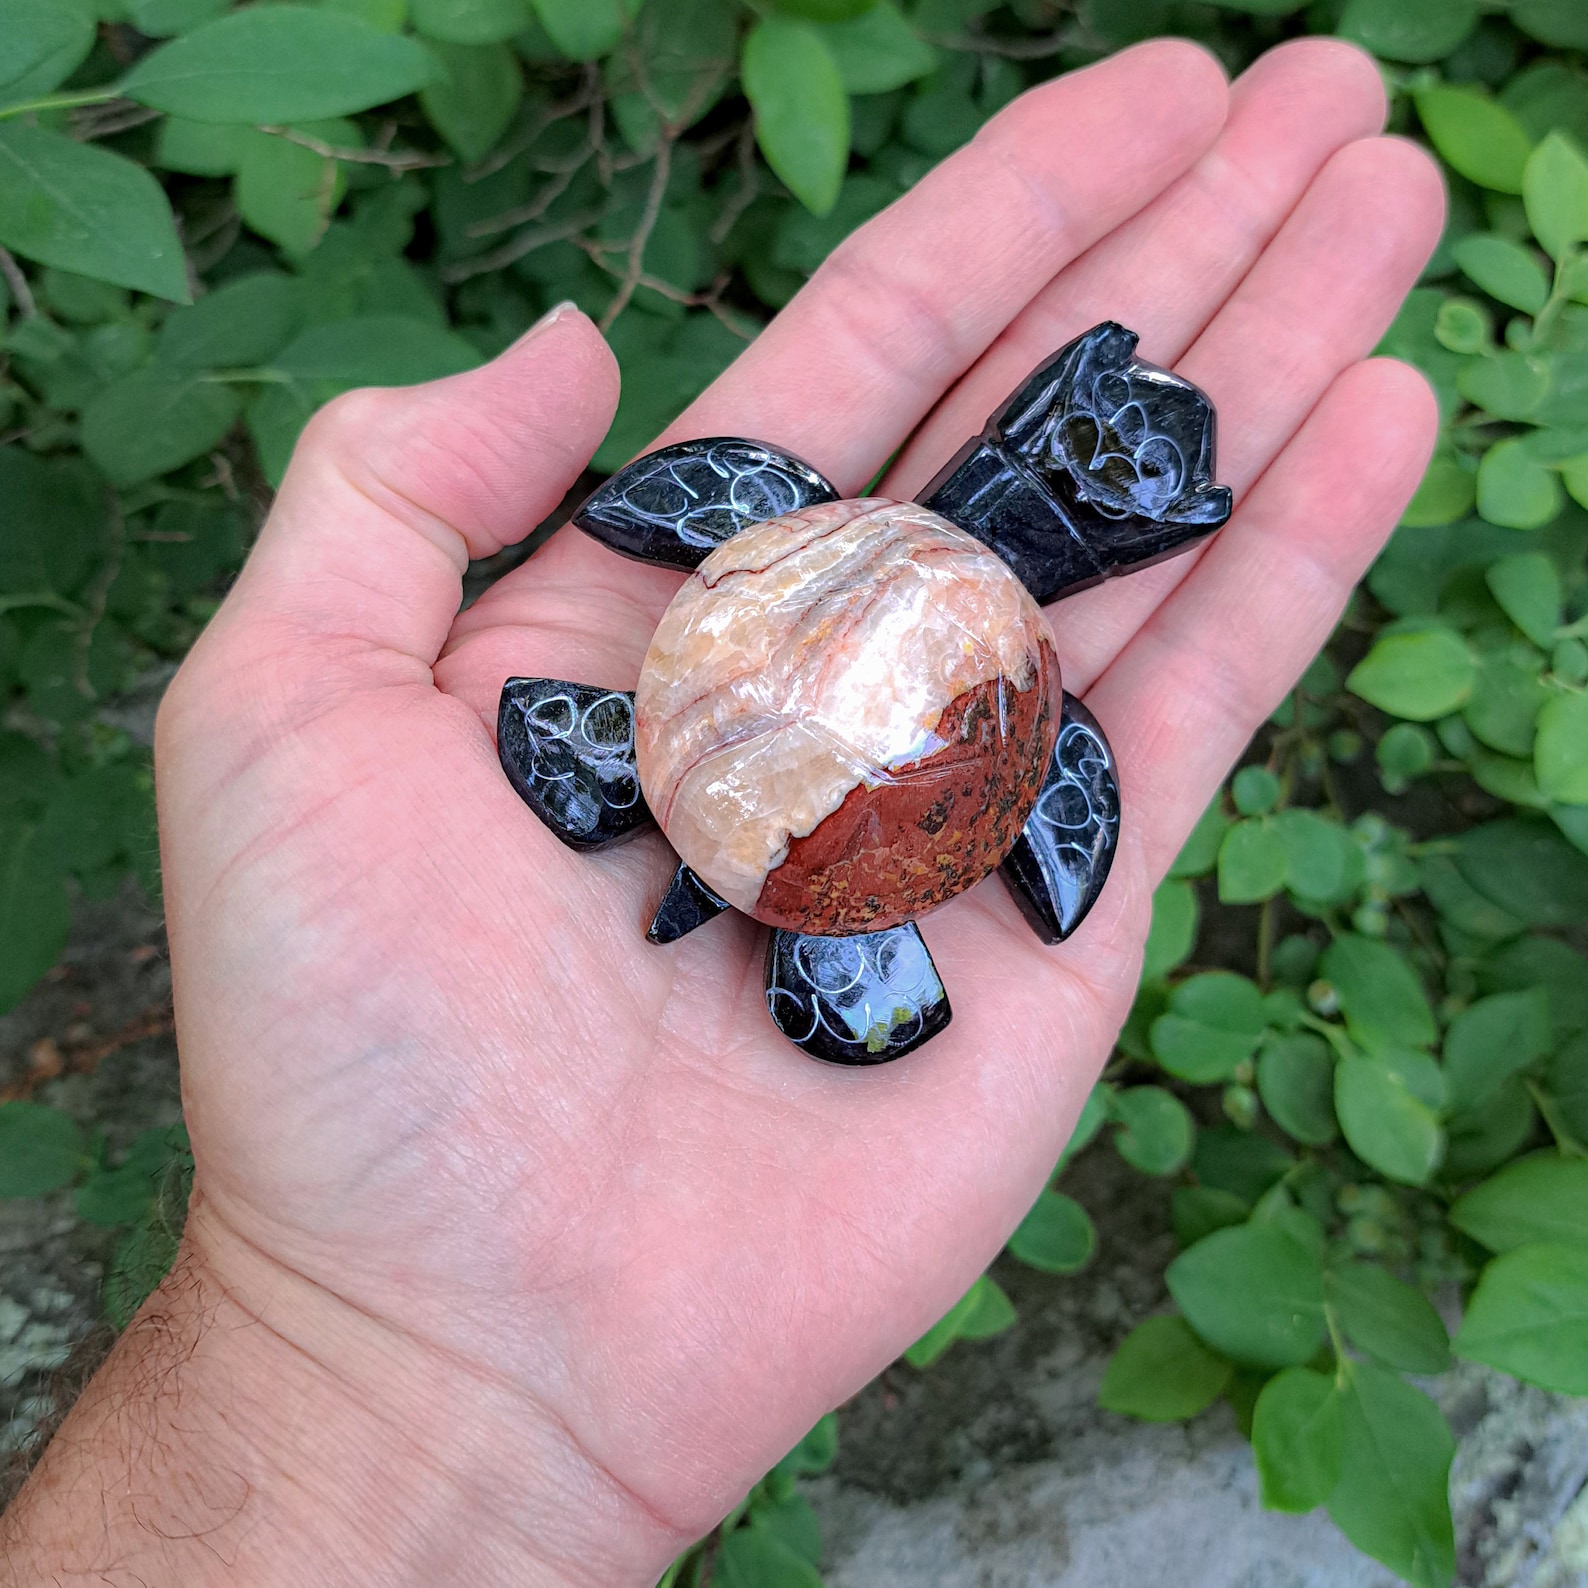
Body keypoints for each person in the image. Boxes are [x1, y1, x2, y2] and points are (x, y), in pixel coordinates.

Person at [1, 35, 1442, 1587]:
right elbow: (1058, 826)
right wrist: (358, 1357)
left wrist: (357, 1376)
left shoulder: (844, 561)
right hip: (736, 787)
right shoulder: (988, 683)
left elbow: (694, 526)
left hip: (753, 776)